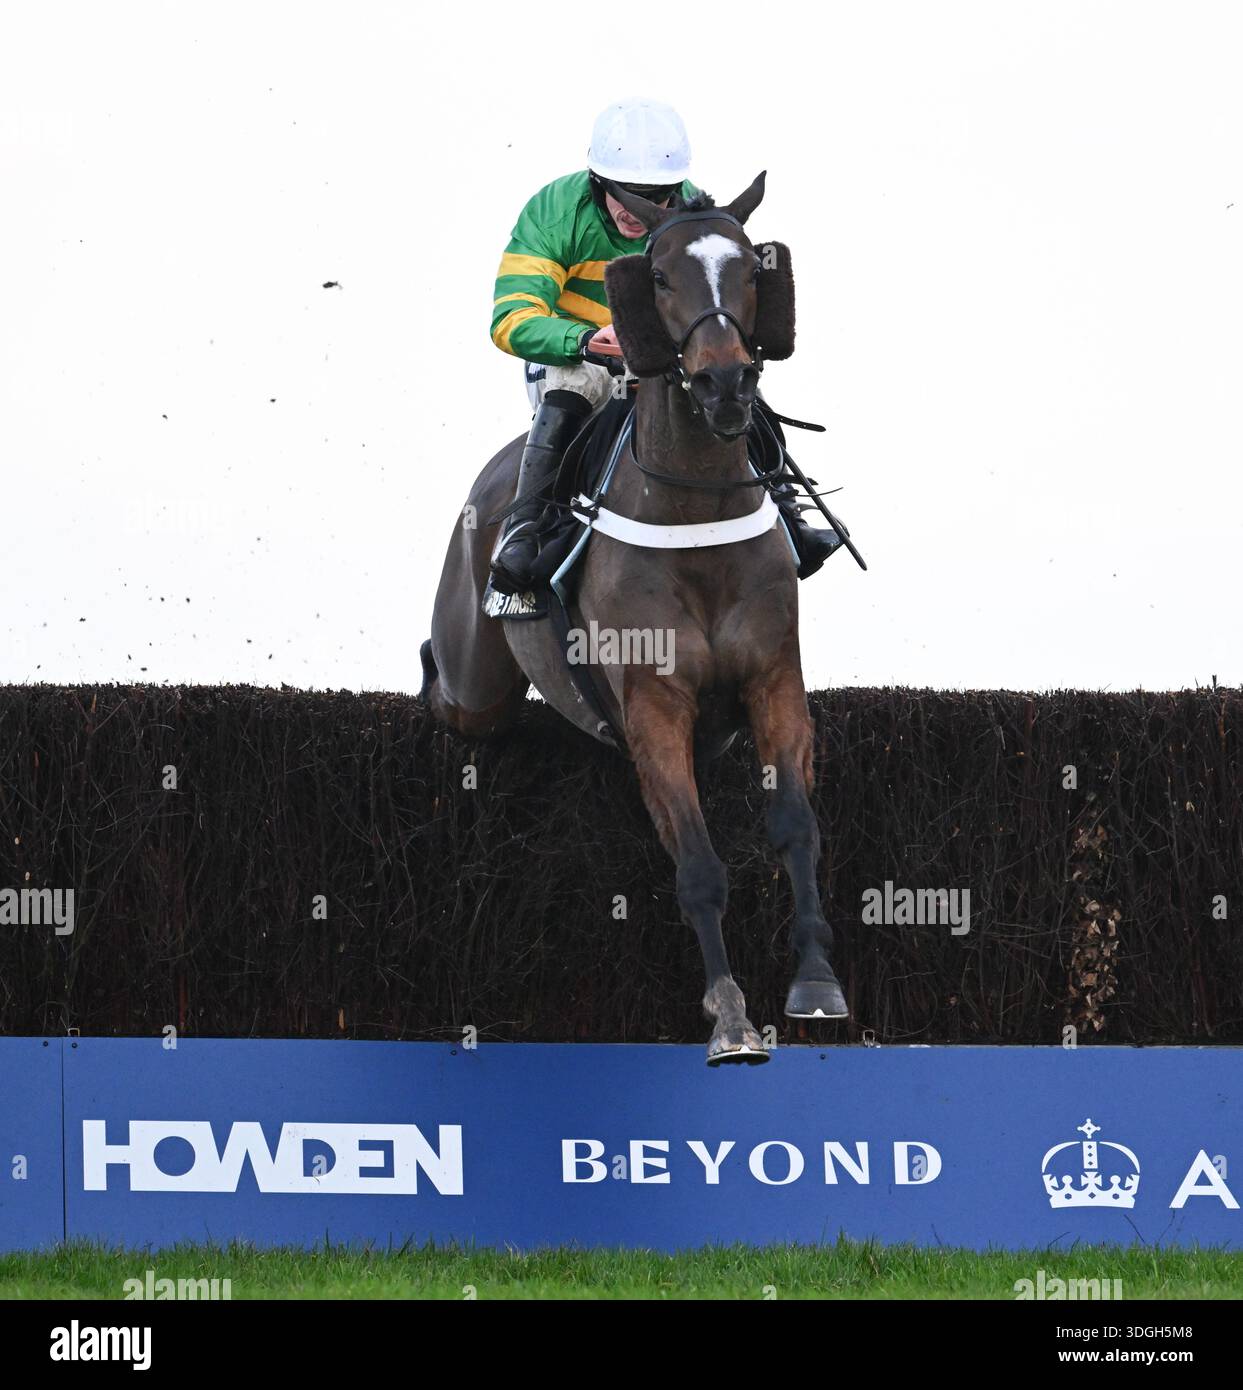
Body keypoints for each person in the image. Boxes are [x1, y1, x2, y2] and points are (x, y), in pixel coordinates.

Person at [488, 97, 837, 595]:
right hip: (575, 355)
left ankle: (786, 508)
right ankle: (525, 531)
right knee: (577, 387)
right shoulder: (554, 210)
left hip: (658, 359)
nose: (640, 207)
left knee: (735, 388)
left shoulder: (695, 208)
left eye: (658, 194)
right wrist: (585, 340)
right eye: (627, 193)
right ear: (598, 181)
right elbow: (511, 319)